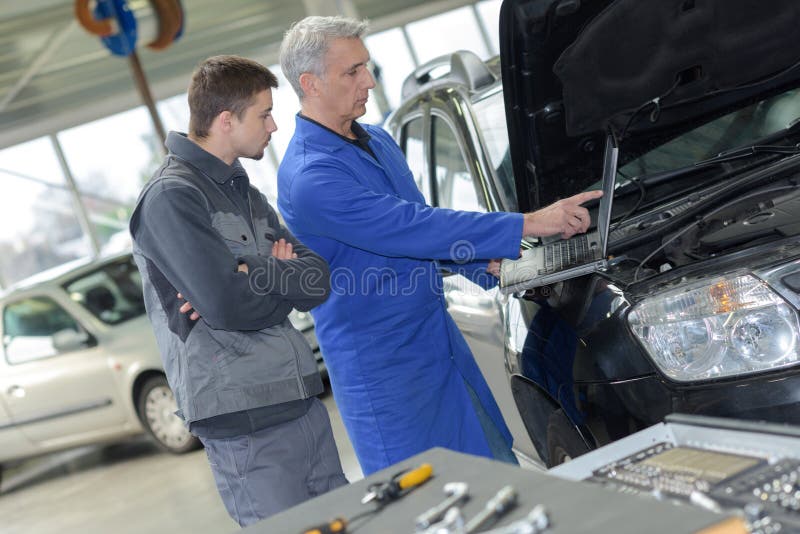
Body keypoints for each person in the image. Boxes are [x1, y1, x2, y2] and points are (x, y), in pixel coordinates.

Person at [276, 16, 603, 475]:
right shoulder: (310, 177)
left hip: (440, 346)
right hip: (388, 375)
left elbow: (430, 233)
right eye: (352, 71)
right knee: (434, 502)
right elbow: (409, 226)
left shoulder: (377, 141)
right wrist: (530, 222)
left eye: (366, 66)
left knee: (501, 477)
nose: (368, 80)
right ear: (310, 83)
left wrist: (494, 269)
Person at [129, 55, 347, 526]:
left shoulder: (244, 193)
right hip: (242, 415)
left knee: (344, 523)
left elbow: (317, 280)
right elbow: (228, 303)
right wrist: (272, 271)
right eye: (264, 114)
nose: (273, 126)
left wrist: (254, 269)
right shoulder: (172, 198)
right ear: (226, 120)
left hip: (298, 398)